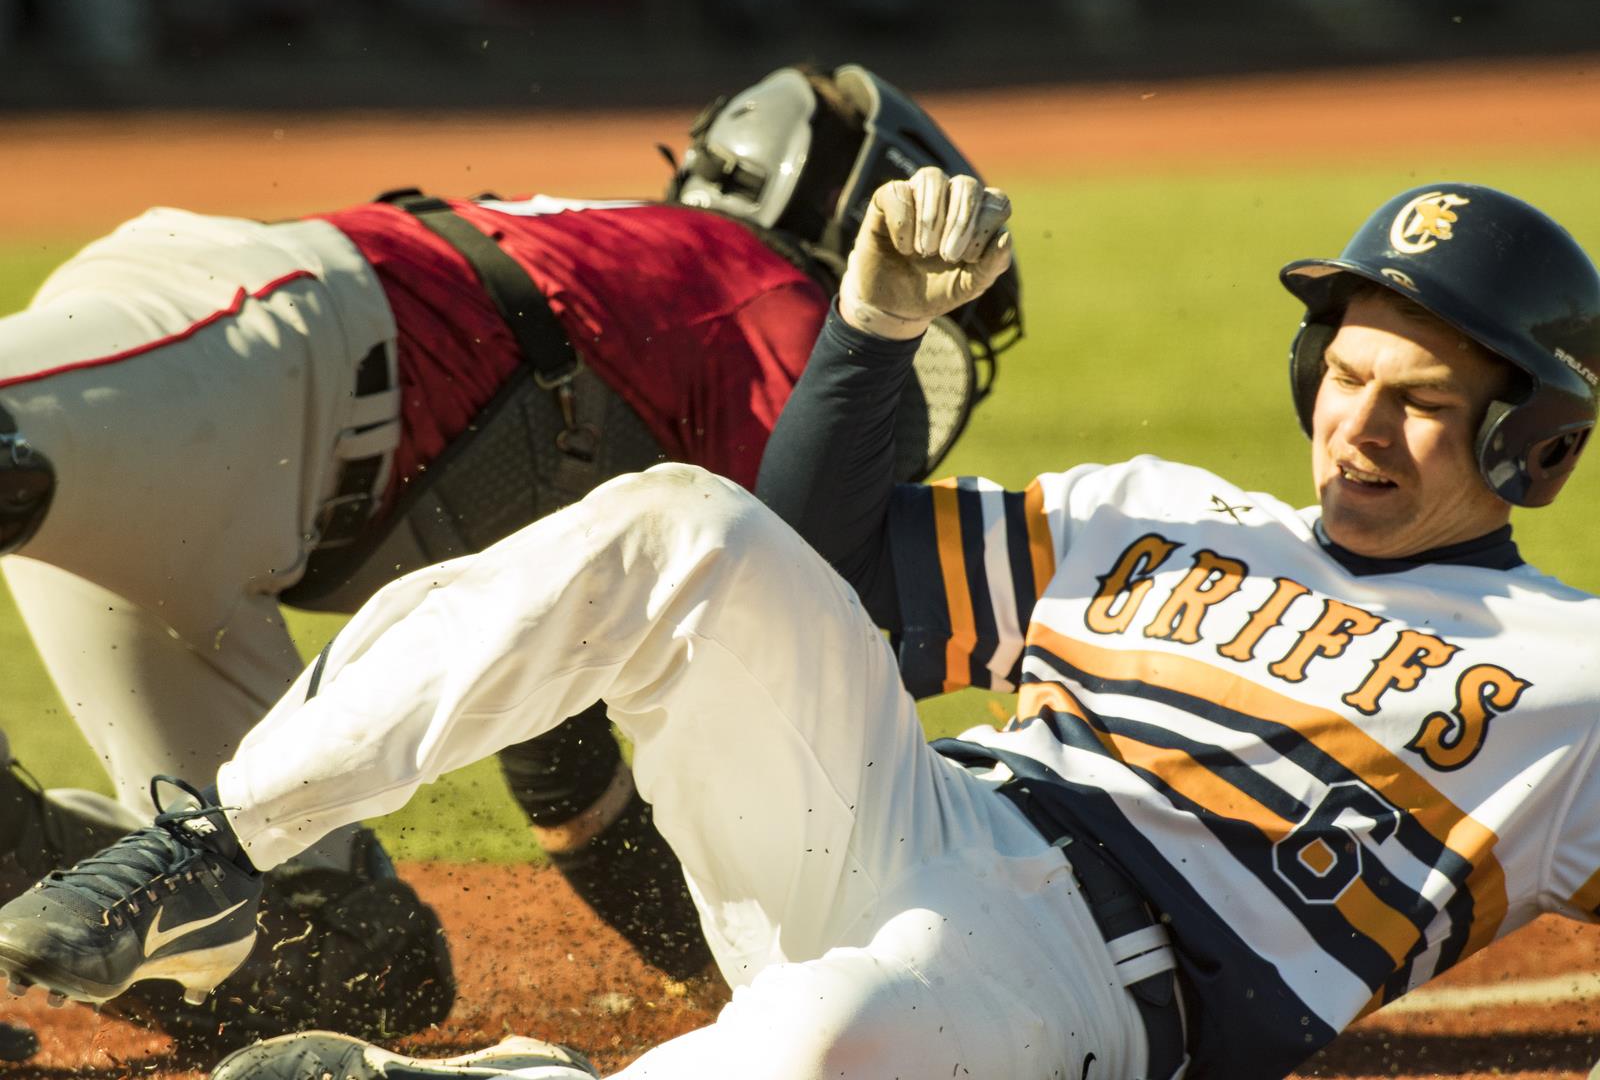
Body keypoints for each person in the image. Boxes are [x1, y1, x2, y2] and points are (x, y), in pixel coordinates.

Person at [4, 169, 1595, 1080]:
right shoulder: (1162, 512)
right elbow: (812, 554)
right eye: (1349, 379)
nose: (1360, 431)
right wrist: (872, 329)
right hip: (915, 806)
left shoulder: (1570, 675)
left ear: (1533, 443)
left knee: (844, 1038)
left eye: (1427, 405)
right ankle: (228, 844)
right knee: (680, 523)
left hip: (1093, 980)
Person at [0, 63, 1022, 1057]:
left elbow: (558, 749)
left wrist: (703, 962)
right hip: (276, 366)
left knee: (354, 960)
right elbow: (794, 665)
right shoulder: (768, 299)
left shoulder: (646, 295)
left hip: (252, 453)